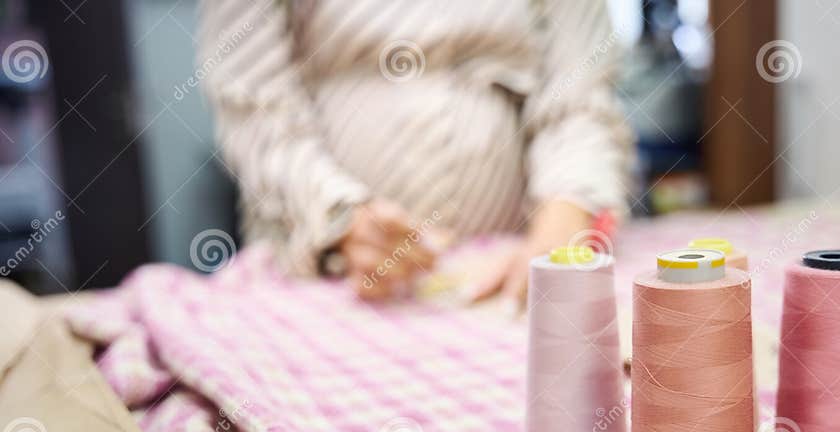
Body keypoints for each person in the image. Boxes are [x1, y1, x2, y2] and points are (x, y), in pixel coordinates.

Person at [199, 0, 631, 302]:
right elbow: (251, 103)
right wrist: (339, 218)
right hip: (322, 280)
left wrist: (559, 230)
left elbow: (582, 97)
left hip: (505, 279)